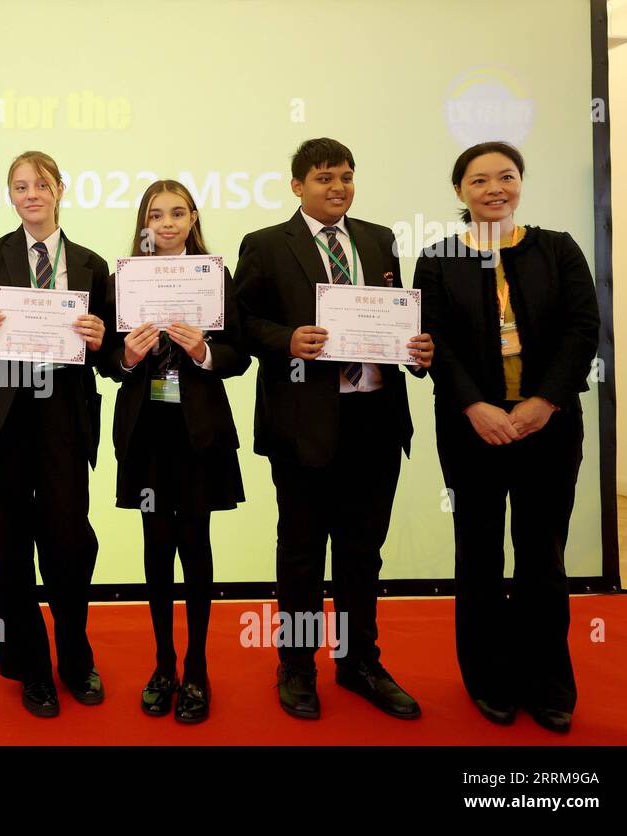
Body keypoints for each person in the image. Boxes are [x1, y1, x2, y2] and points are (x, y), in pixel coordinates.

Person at [233, 137, 433, 721]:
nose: (337, 186)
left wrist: (418, 348)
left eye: (346, 175)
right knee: (300, 554)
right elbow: (242, 325)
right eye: (324, 177)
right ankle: (296, 665)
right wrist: (286, 339)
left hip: (374, 418)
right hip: (303, 425)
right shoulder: (266, 245)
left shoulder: (377, 239)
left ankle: (358, 661)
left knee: (361, 552)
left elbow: (398, 314)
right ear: (297, 185)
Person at [413, 141, 599, 734]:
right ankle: (488, 679)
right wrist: (475, 405)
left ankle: (548, 686)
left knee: (544, 556)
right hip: (473, 431)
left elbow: (583, 327)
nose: (495, 188)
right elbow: (432, 338)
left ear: (521, 183)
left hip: (549, 425)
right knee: (481, 557)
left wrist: (546, 400)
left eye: (507, 177)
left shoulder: (556, 247)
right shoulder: (438, 258)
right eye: (480, 179)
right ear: (460, 190)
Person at [0, 150, 111, 718]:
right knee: (10, 546)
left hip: (64, 421)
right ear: (11, 195)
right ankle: (31, 667)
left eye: (40, 185)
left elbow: (113, 357)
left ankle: (75, 656)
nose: (31, 195)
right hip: (0, 422)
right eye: (19, 186)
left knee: (69, 543)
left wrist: (102, 342)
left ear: (60, 190)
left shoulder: (93, 266)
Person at [102, 180, 249, 723]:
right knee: (156, 546)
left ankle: (196, 667)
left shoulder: (214, 275)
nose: (166, 223)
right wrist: (127, 357)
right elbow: (105, 361)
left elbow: (240, 354)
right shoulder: (125, 280)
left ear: (193, 219)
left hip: (198, 432)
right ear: (144, 223)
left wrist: (205, 350)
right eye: (155, 214)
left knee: (196, 544)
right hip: (146, 431)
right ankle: (163, 664)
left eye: (177, 213)